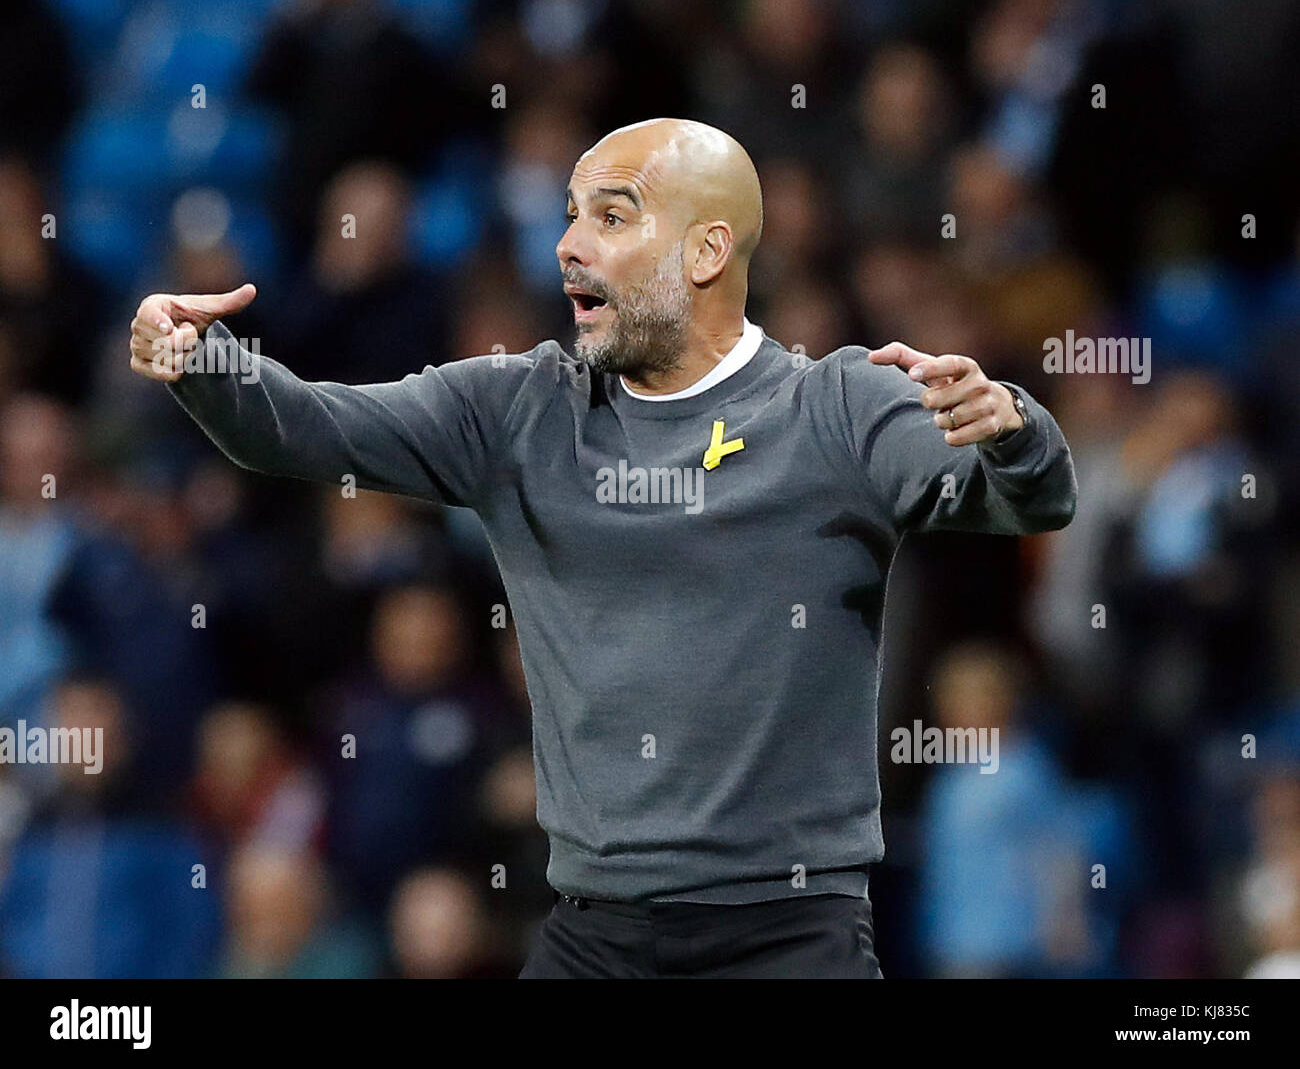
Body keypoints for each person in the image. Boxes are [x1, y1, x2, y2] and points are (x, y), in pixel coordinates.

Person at [127, 118, 1076, 978]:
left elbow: (1023, 497)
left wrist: (1013, 429)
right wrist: (206, 363)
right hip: (593, 939)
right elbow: (310, 426)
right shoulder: (517, 410)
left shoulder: (839, 406)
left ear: (707, 252)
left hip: (792, 938)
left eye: (611, 218)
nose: (570, 246)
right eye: (572, 215)